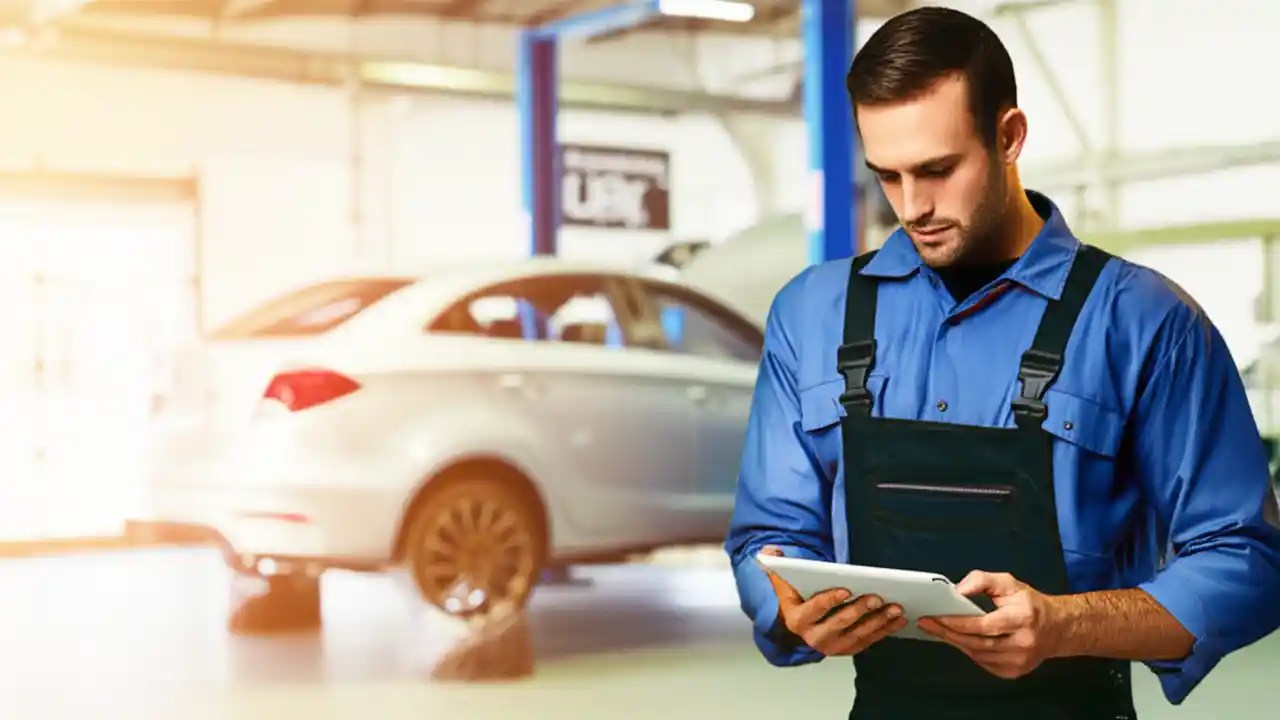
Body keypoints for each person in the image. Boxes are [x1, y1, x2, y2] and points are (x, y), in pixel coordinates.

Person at [724, 6, 1280, 719]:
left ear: (1009, 136)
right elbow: (766, 534)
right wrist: (789, 606)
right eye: (887, 177)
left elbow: (1251, 559)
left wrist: (1067, 626)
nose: (913, 206)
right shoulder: (811, 314)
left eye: (938, 169)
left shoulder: (1145, 321)